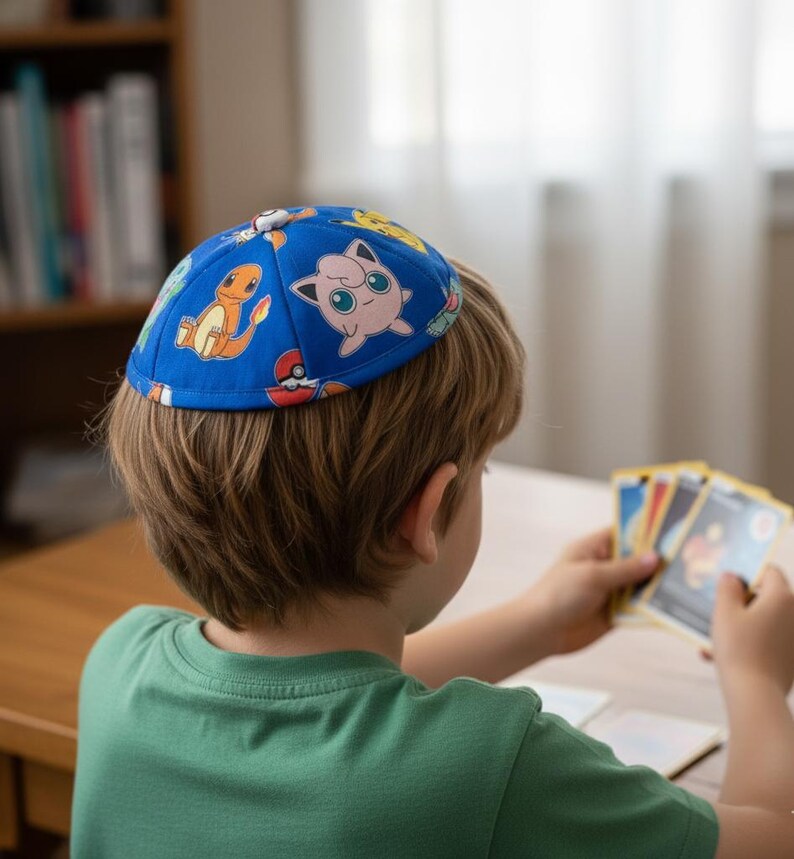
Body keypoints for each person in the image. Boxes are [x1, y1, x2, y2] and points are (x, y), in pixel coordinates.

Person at [72, 206, 794, 857]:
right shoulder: (493, 765)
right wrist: (756, 679)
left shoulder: (120, 667)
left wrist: (538, 622)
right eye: (483, 469)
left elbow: (324, 703)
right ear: (426, 514)